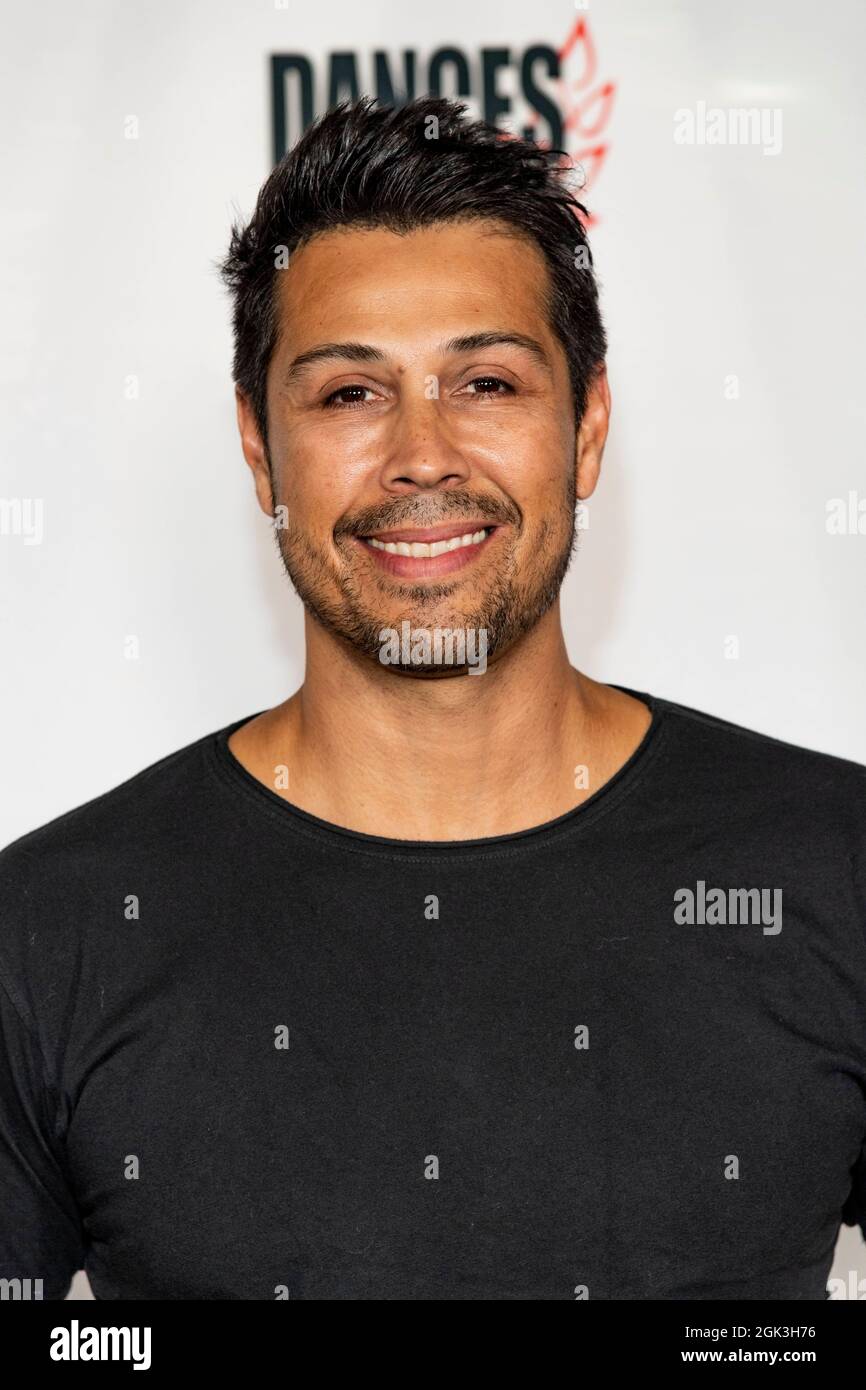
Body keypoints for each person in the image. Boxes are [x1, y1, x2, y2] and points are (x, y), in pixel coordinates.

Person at [1, 95, 864, 1301]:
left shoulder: (833, 866)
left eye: (488, 383)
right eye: (349, 394)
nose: (422, 454)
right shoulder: (50, 932)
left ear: (586, 429)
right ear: (260, 450)